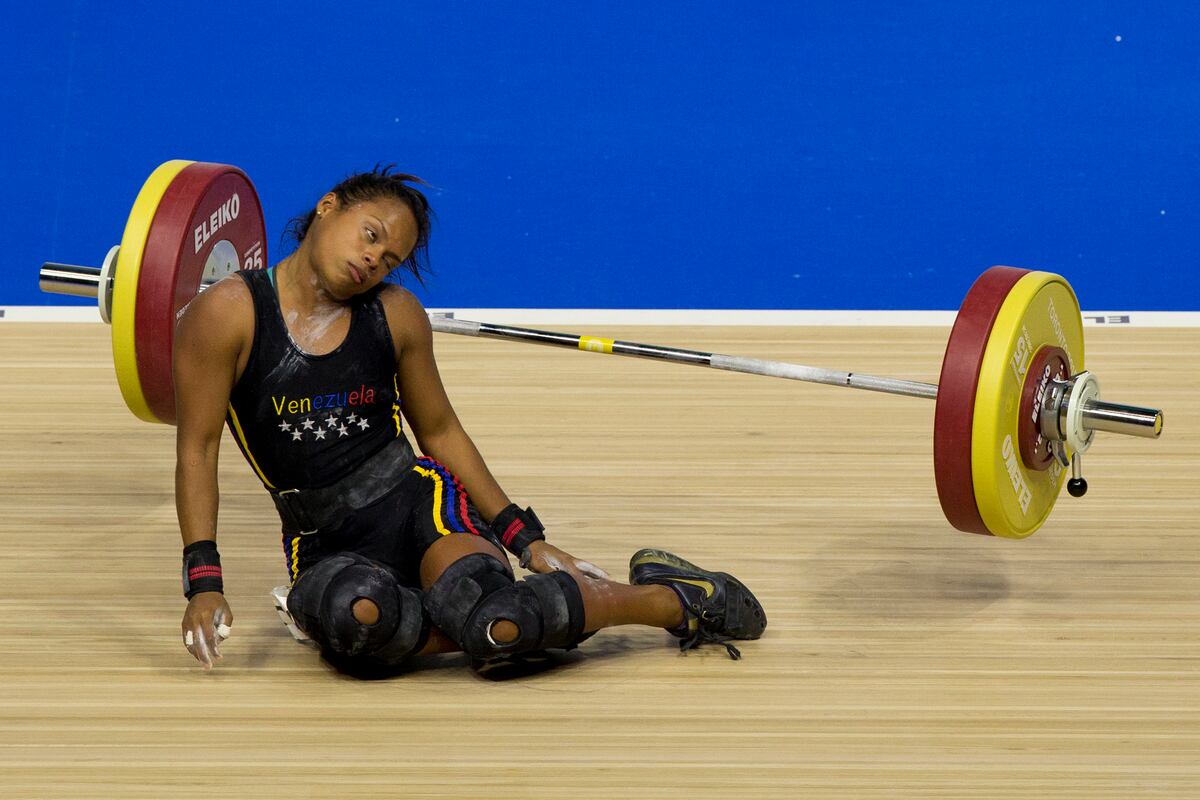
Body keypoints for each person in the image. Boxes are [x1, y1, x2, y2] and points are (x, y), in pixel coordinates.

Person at [172, 166, 767, 673]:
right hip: (323, 539)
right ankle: (375, 619)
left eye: (388, 258)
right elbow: (197, 449)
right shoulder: (228, 315)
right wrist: (204, 583)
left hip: (418, 507)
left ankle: (672, 599)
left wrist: (524, 539)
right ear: (329, 206)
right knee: (360, 614)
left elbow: (440, 432)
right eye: (370, 234)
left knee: (498, 628)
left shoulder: (397, 316)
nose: (372, 260)